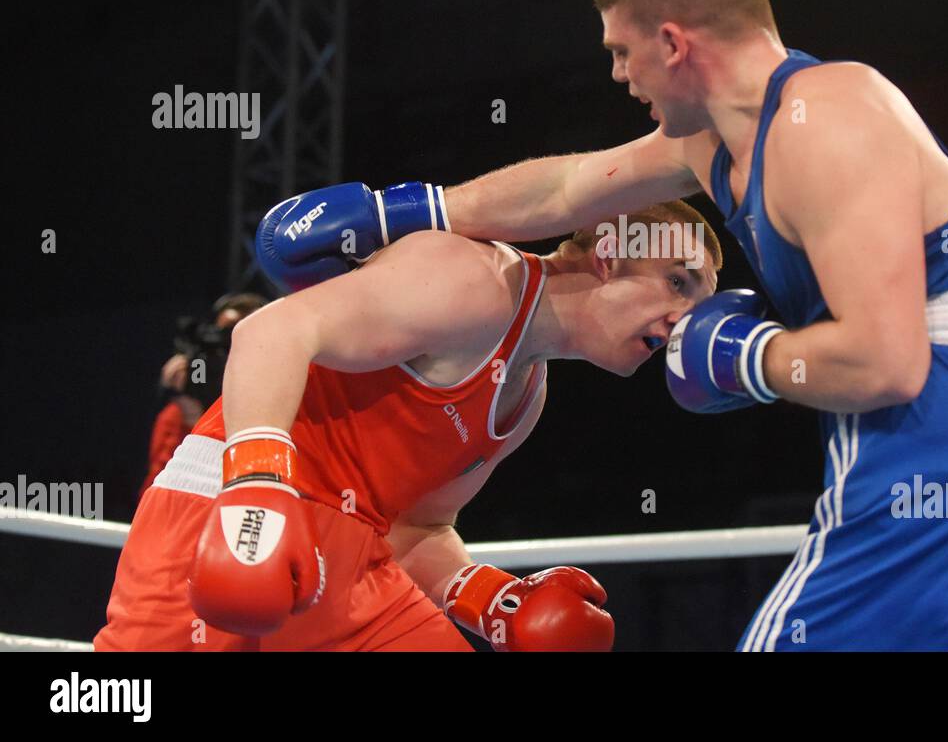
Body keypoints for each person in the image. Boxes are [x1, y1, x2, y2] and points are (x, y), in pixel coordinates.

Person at [279, 0, 948, 651]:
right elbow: (569, 188)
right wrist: (404, 210)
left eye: (622, 50)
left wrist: (743, 356)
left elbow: (888, 362)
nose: (618, 75)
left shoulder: (824, 118)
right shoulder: (714, 144)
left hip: (945, 428)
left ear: (672, 42)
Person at [94, 200, 720, 651]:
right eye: (677, 283)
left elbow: (417, 526)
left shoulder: (527, 395)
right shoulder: (475, 279)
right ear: (610, 255)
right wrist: (257, 494)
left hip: (353, 556)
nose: (684, 318)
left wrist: (492, 599)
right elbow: (272, 329)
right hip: (235, 510)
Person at [143, 293, 267, 500]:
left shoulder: (281, 406)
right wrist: (191, 424)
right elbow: (158, 493)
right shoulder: (180, 410)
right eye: (224, 333)